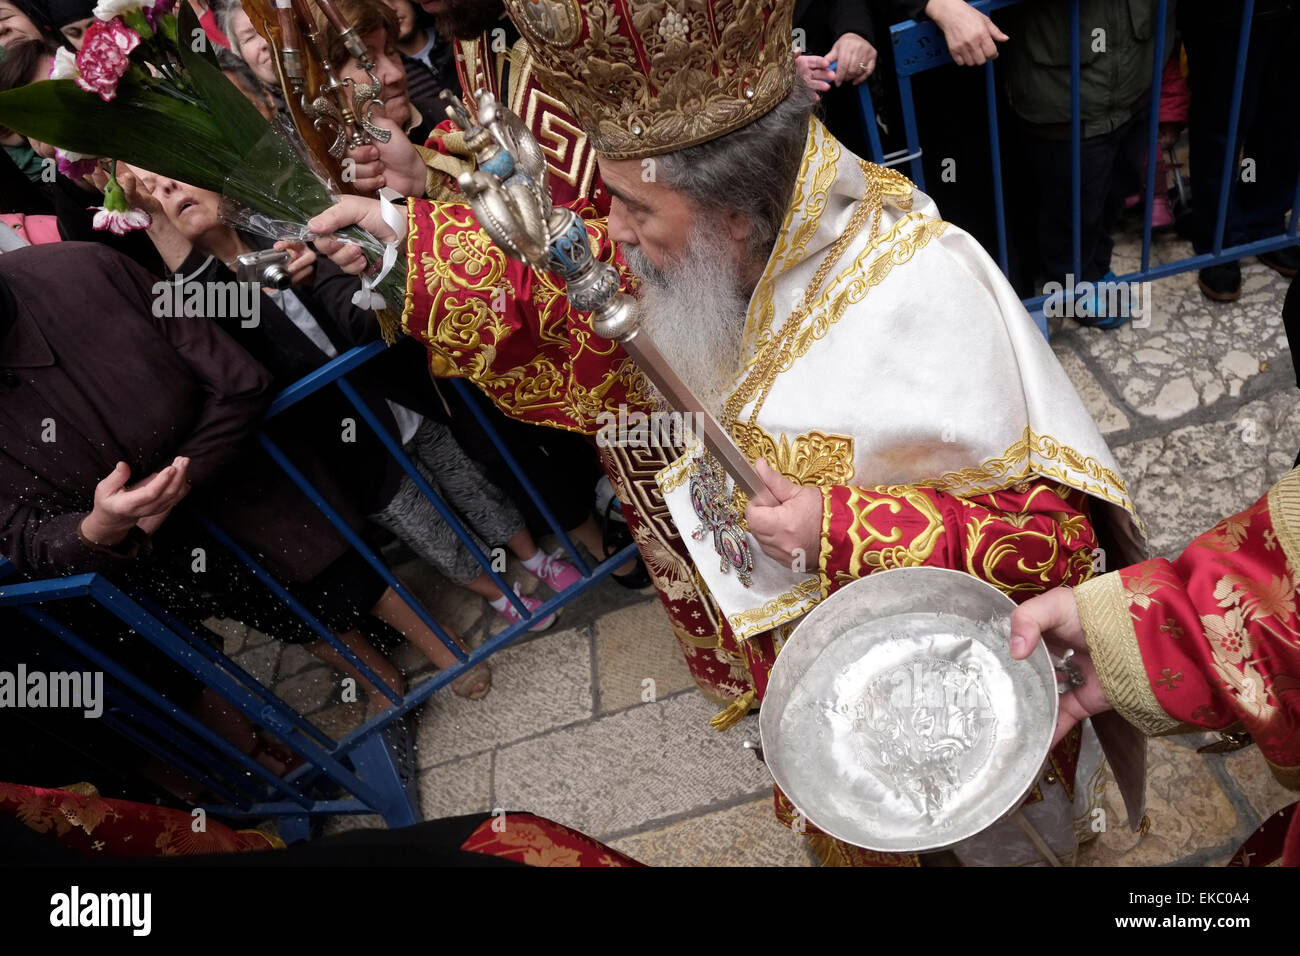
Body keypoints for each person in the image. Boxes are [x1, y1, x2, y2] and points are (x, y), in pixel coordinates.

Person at [308, 0, 1149, 867]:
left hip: (956, 683)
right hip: (823, 675)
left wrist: (841, 526)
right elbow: (576, 296)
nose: (616, 235)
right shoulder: (709, 258)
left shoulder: (921, 291)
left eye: (634, 208)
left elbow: (1052, 545)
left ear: (736, 216)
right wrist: (400, 234)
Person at [1180, 0, 1300, 302]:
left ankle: (1264, 222)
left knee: (1285, 117)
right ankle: (1217, 240)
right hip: (1225, 11)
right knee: (1222, 120)